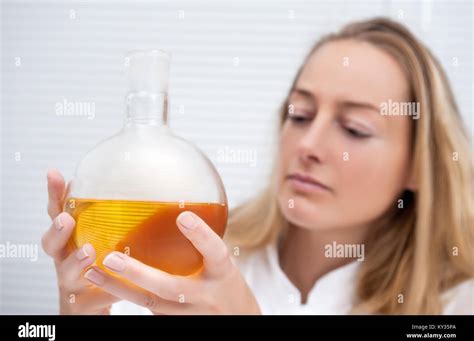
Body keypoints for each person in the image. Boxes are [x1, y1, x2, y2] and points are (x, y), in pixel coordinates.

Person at [42, 17, 473, 315]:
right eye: (299, 115)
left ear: (420, 166)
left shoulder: (453, 303)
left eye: (355, 129)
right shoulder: (188, 251)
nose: (309, 144)